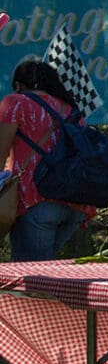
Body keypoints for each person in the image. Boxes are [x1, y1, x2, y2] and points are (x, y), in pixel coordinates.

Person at [0, 59, 93, 259]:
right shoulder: (70, 110)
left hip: (35, 200)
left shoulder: (16, 102)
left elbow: (1, 150)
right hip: (76, 204)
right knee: (48, 271)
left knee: (32, 274)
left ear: (18, 85)